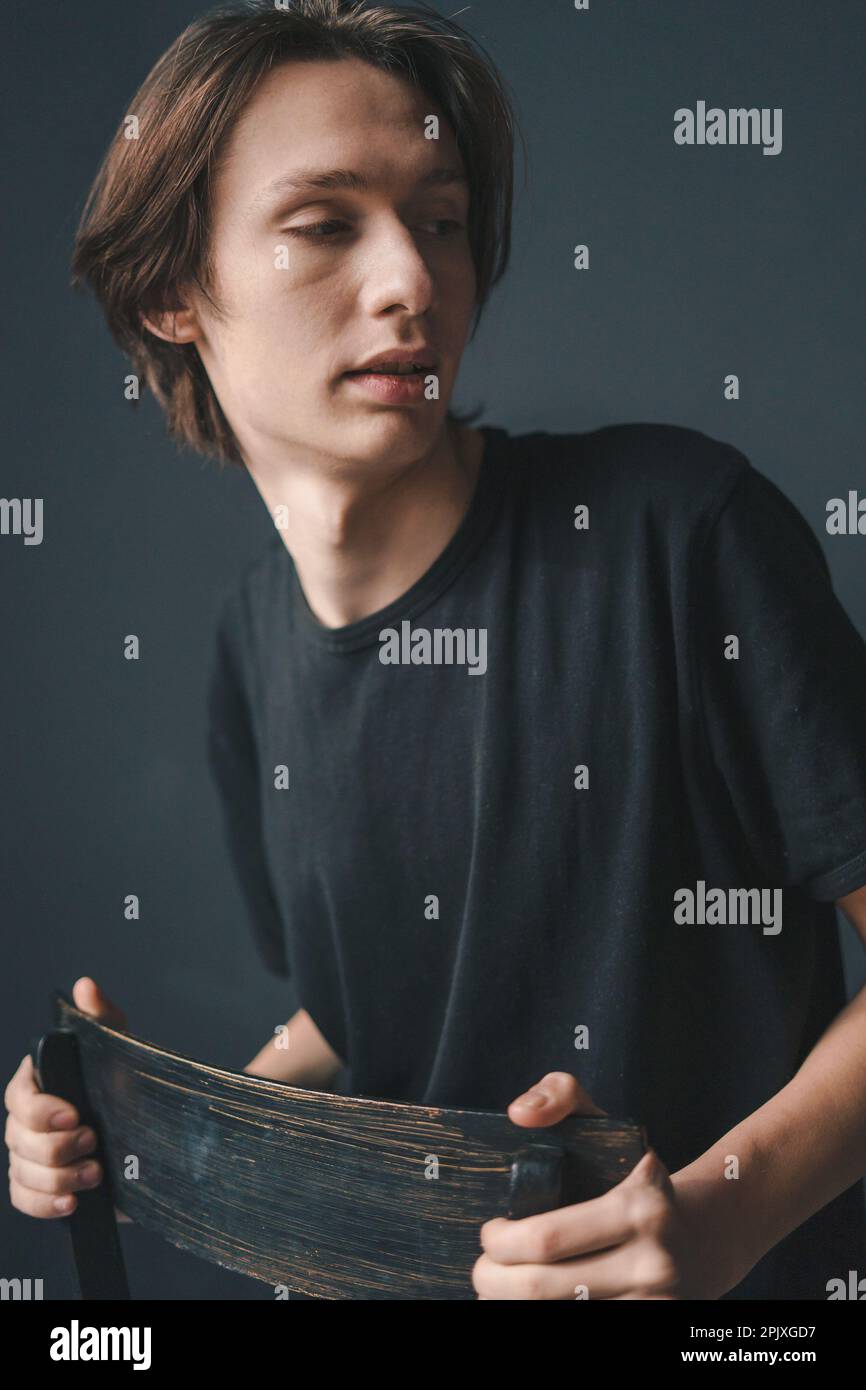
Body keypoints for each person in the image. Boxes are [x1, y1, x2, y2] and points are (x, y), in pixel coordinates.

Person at [6, 0, 866, 1301]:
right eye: (324, 223)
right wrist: (140, 1122)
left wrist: (717, 1218)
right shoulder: (249, 646)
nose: (412, 278)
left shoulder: (682, 533)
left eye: (442, 218)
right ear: (172, 291)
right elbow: (360, 1017)